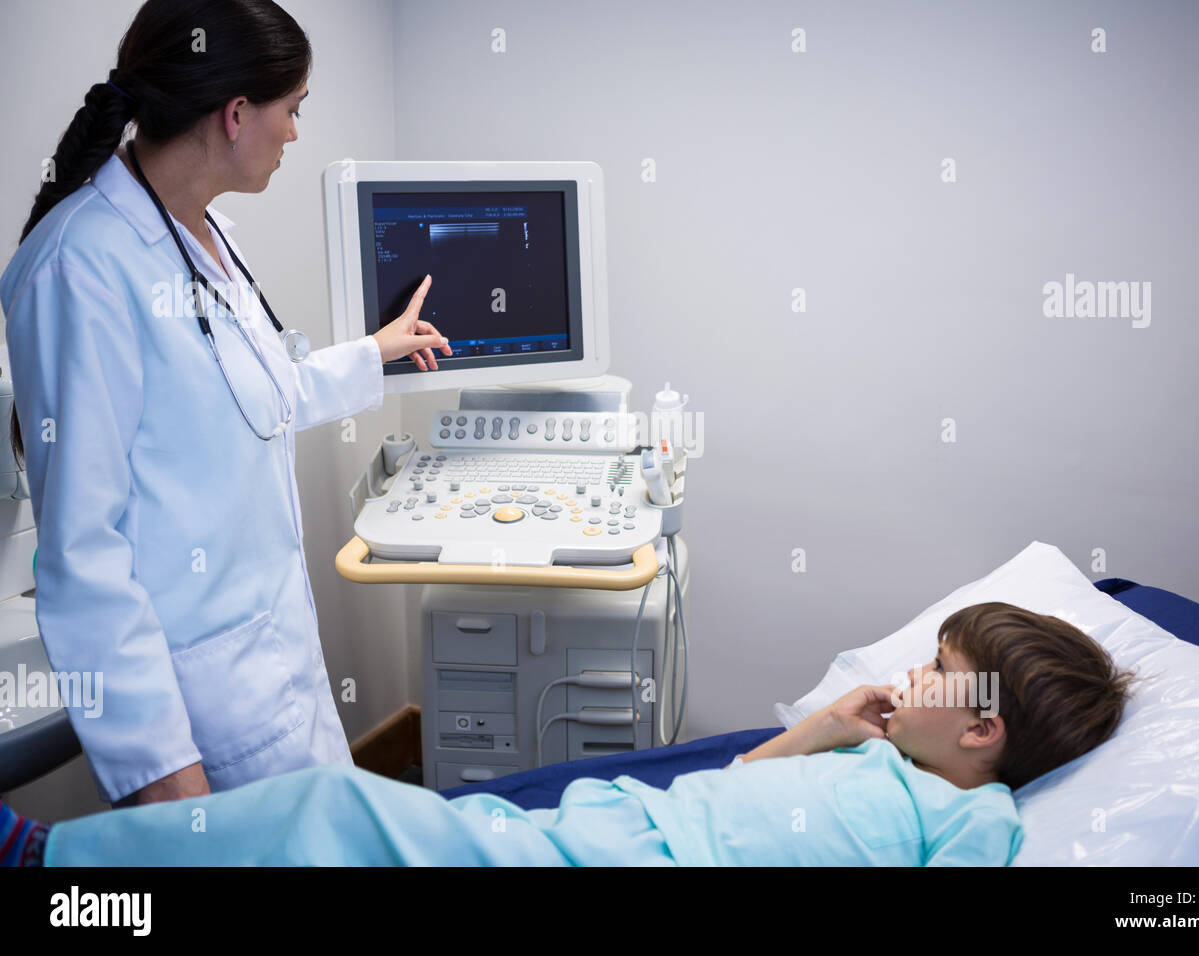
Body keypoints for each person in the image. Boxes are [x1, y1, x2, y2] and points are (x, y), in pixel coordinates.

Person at [0, 0, 450, 809]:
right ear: (237, 114)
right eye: (293, 110)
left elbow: (255, 396)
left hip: (274, 671)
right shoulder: (80, 269)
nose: (296, 133)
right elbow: (82, 562)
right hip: (199, 720)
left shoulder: (206, 234)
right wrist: (163, 777)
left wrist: (373, 351)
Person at [2, 602, 1138, 866]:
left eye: (931, 671)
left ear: (984, 727)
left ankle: (54, 865)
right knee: (358, 820)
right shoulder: (866, 749)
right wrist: (824, 728)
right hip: (602, 831)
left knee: (336, 812)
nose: (901, 675)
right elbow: (732, 781)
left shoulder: (974, 820)